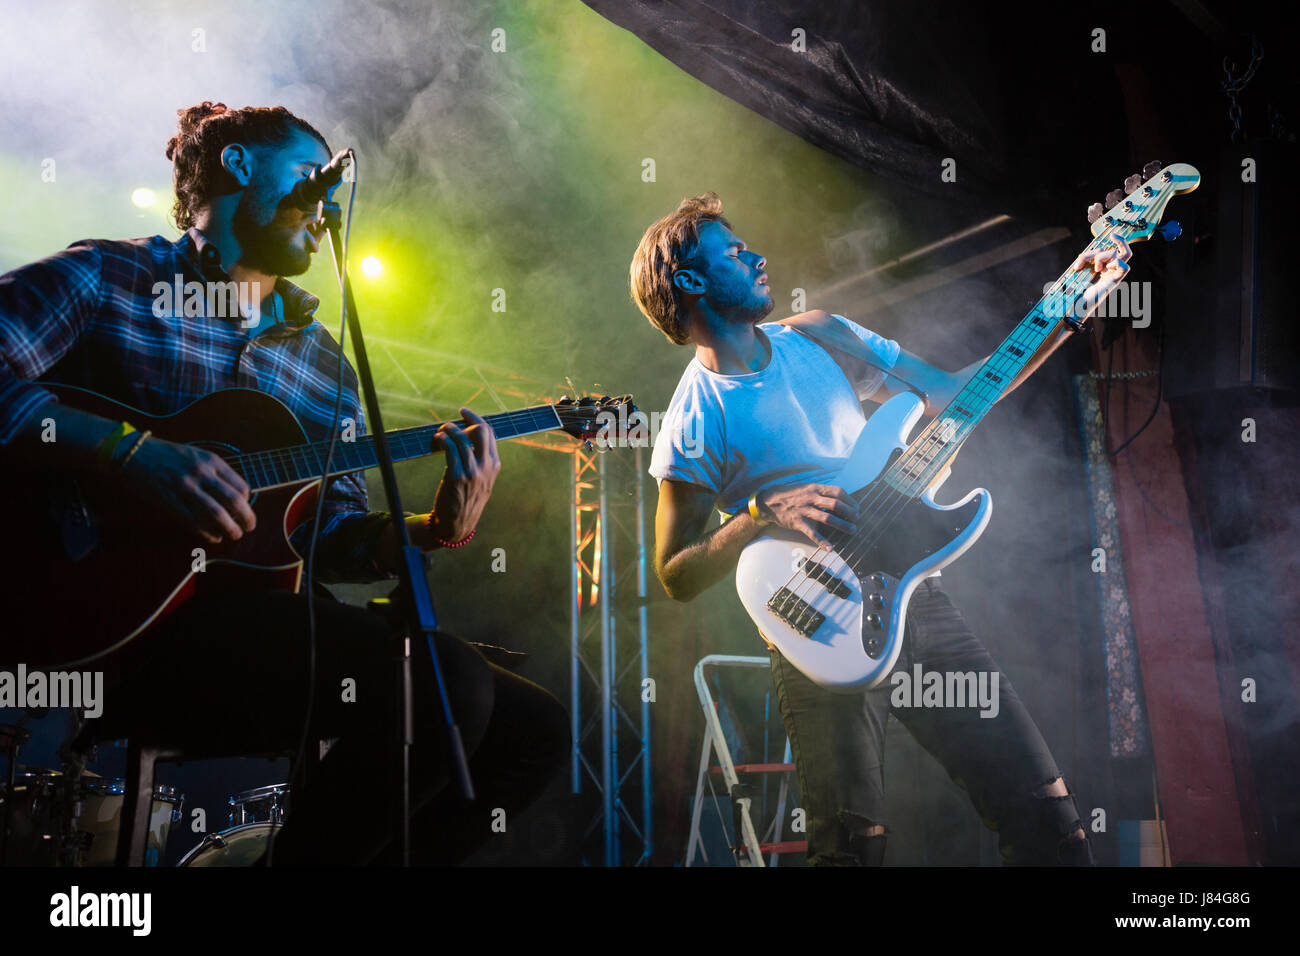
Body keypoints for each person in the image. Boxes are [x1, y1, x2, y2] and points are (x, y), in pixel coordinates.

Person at [0, 102, 569, 865]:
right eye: (309, 175)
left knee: (534, 730)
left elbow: (328, 540)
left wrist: (437, 529)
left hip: (249, 635)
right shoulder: (112, 275)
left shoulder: (325, 362)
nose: (324, 201)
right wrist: (130, 451)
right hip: (98, 623)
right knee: (445, 684)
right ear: (236, 165)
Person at [633, 192, 1124, 865]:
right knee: (849, 854)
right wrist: (755, 514)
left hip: (918, 598)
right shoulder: (693, 418)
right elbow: (676, 572)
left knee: (1048, 823)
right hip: (818, 629)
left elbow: (951, 393)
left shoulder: (818, 334)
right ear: (690, 282)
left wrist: (1064, 316)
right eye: (735, 252)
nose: (758, 256)